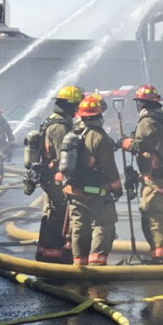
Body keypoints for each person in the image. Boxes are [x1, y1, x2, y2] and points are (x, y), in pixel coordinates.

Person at [120, 84, 163, 264]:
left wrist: (124, 142)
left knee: (153, 219)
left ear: (140, 104)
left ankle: (161, 258)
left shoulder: (148, 121)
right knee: (161, 220)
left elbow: (142, 145)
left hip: (156, 180)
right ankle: (162, 256)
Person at [62, 93, 123, 267]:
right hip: (96, 192)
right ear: (99, 115)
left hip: (74, 192)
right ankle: (96, 266)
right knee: (103, 226)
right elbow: (109, 168)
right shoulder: (99, 137)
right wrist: (117, 189)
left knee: (79, 228)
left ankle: (79, 266)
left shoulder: (73, 134)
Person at [36, 85, 83, 263]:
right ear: (70, 105)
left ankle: (44, 253)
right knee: (58, 216)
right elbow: (60, 156)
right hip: (56, 178)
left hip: (49, 176)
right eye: (76, 106)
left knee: (51, 214)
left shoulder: (52, 120)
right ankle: (52, 257)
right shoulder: (60, 127)